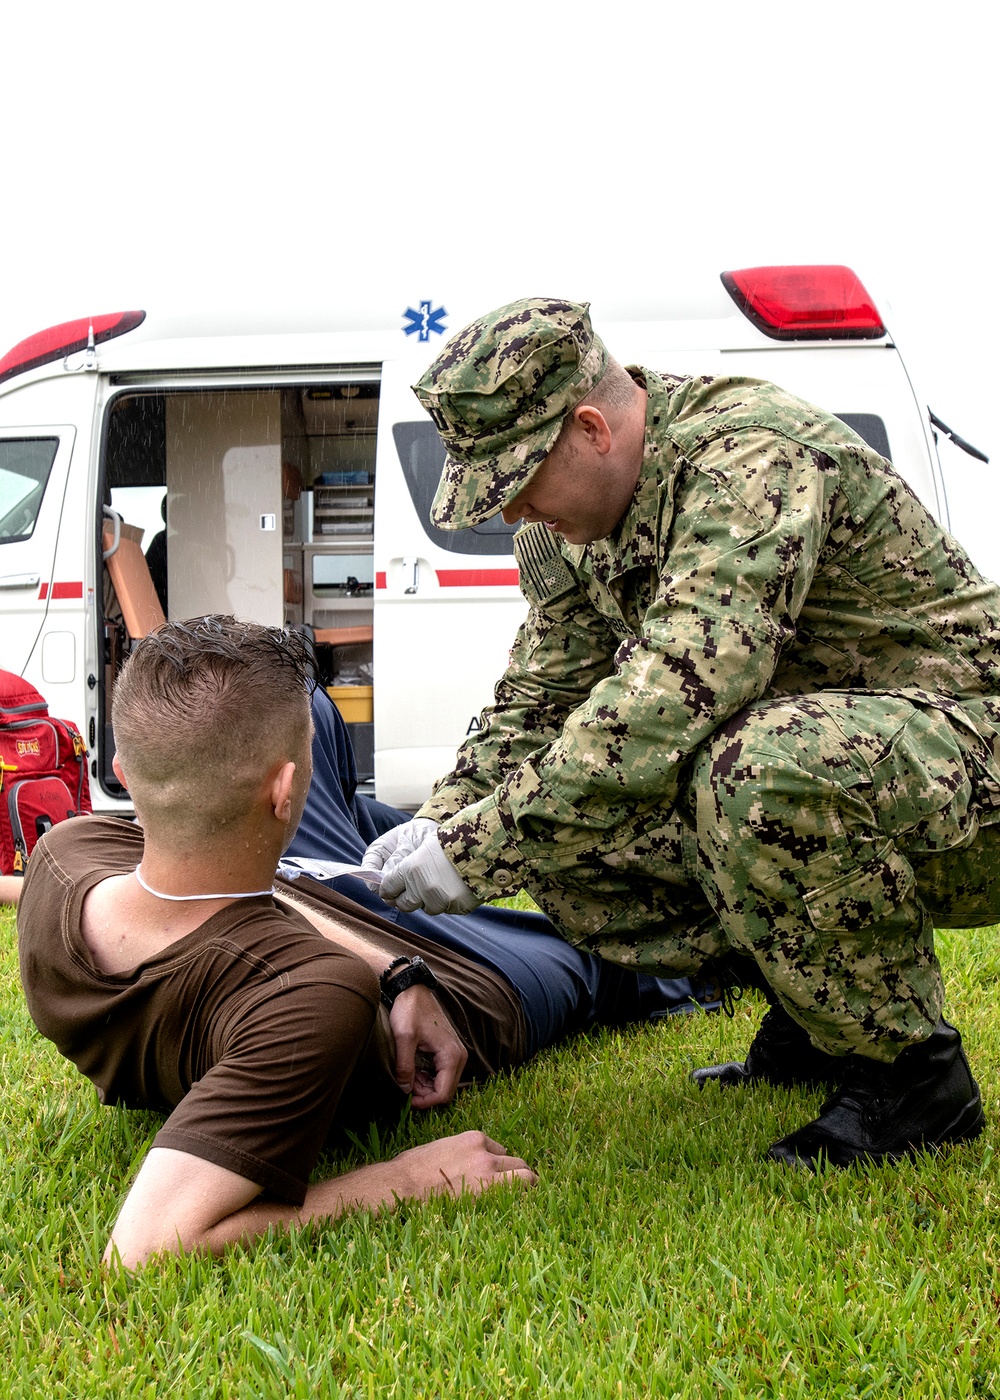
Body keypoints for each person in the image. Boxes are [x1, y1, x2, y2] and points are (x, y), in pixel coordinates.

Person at [364, 296, 1000, 1171]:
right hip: (865, 773)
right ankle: (820, 1016)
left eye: (517, 484)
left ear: (590, 427)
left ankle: (914, 1079)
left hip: (974, 768)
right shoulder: (574, 530)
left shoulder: (748, 463)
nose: (511, 516)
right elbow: (537, 703)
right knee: (575, 840)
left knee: (753, 773)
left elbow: (664, 702)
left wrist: (480, 846)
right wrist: (443, 819)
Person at [16, 615, 708, 1269]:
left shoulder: (68, 854)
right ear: (286, 791)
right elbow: (147, 1245)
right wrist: (405, 1178)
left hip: (296, 882)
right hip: (471, 985)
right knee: (602, 958)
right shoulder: (308, 994)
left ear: (125, 775)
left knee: (301, 705)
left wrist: (398, 974)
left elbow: (227, 874)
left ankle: (362, 823)